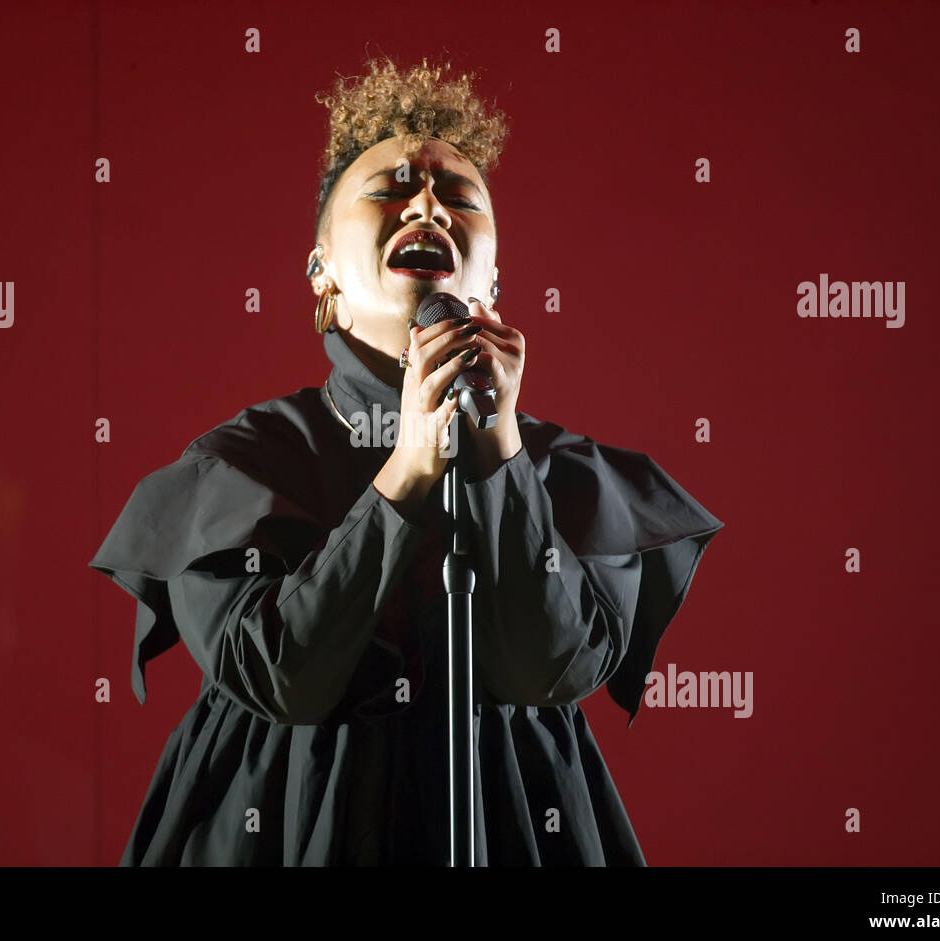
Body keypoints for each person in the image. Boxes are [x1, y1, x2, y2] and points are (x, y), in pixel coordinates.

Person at [89, 56, 725, 865]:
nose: (428, 203)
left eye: (459, 196)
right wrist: (407, 470)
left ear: (492, 279)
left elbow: (547, 669)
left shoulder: (566, 471)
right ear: (322, 275)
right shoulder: (244, 462)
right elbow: (284, 678)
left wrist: (497, 451)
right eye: (391, 188)